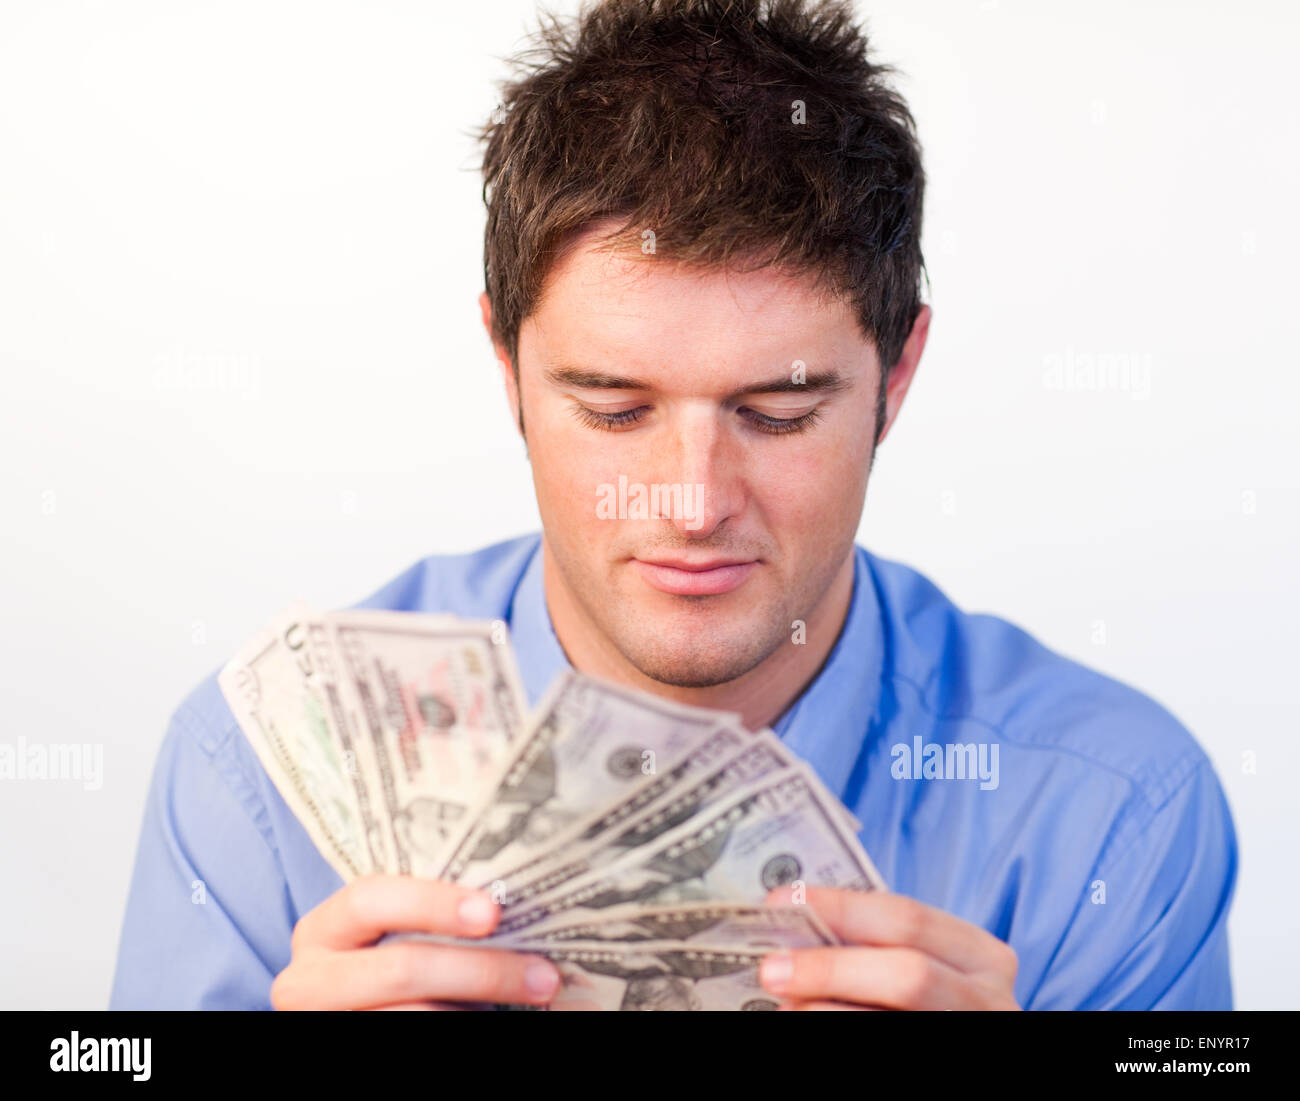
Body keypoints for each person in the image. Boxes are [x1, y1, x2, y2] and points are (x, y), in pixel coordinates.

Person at [110, 0, 1236, 1011]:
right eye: (611, 407)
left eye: (780, 410)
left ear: (896, 377)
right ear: (506, 365)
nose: (692, 502)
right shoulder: (254, 774)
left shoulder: (1115, 815)